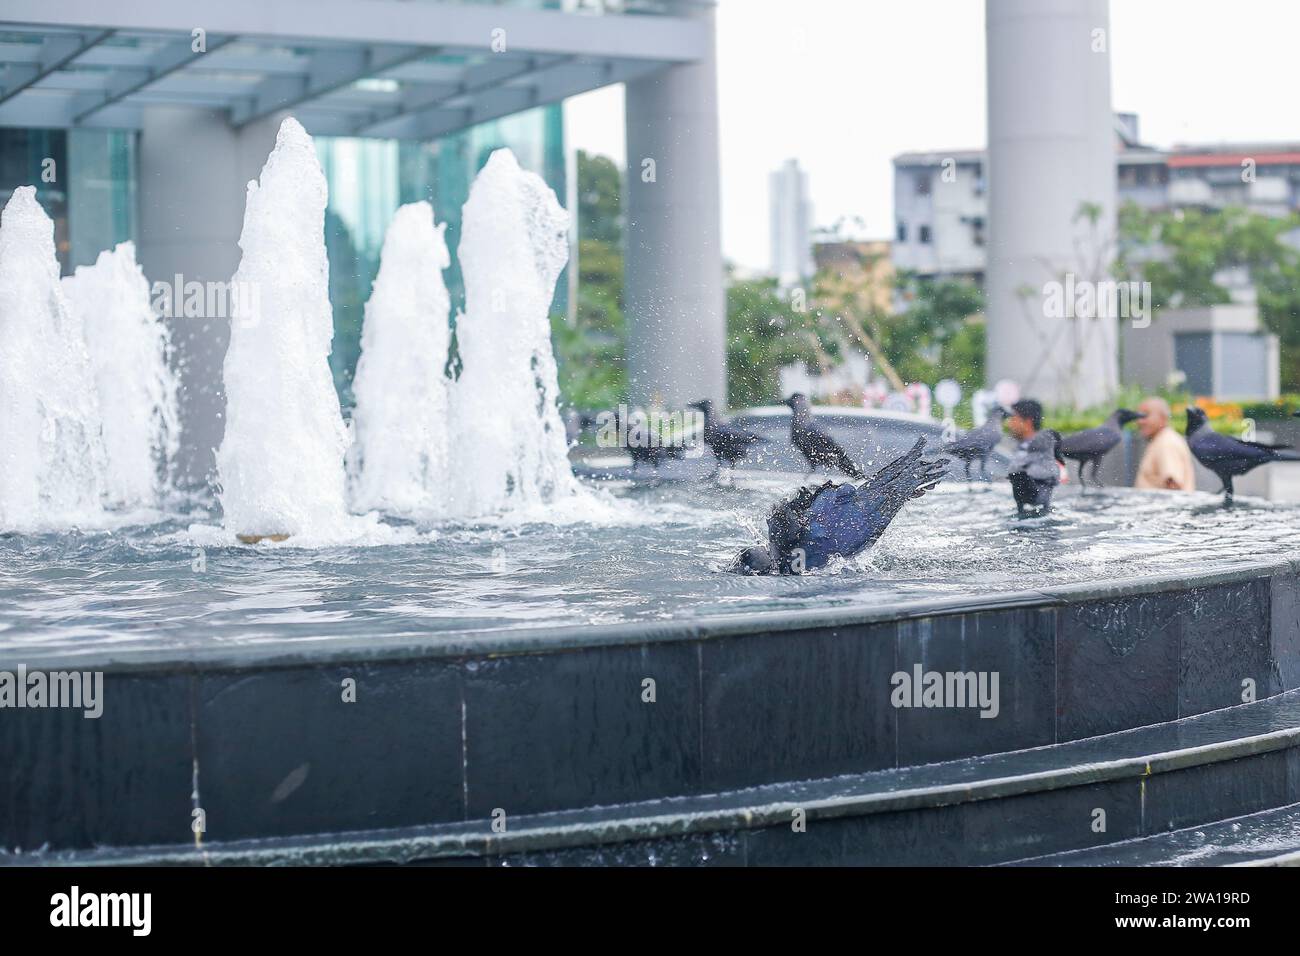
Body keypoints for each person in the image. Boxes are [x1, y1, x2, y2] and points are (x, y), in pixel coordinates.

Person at [1134, 396, 1196, 491]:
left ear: (1163, 418)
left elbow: (1173, 487)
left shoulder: (1166, 443)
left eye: (1145, 415)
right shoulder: (1161, 439)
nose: (1140, 421)